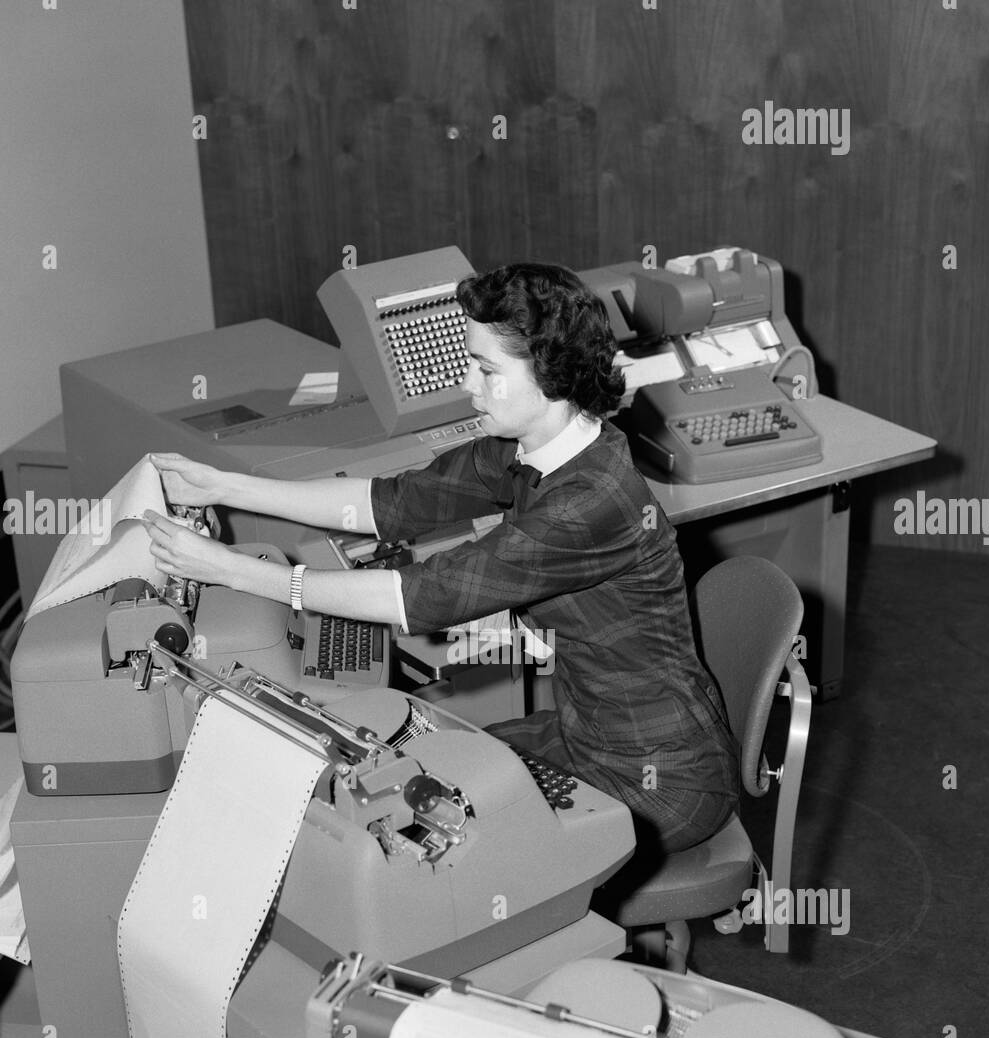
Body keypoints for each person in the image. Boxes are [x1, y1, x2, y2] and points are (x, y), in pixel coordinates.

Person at [143, 262, 739, 862]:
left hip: (661, 775)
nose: (467, 385)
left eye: (486, 370)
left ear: (552, 376)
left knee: (432, 845)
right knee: (410, 772)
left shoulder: (591, 500)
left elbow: (417, 596)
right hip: (585, 736)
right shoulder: (530, 447)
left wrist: (234, 570)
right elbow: (387, 504)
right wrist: (224, 487)